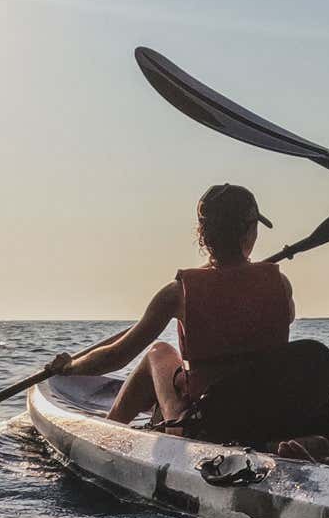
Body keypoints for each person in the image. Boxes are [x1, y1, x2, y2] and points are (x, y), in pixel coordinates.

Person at [44, 183, 295, 428]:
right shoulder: (281, 284)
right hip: (269, 416)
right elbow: (285, 316)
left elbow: (116, 357)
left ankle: (108, 431)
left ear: (203, 234)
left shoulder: (177, 294)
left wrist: (69, 367)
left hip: (205, 423)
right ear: (250, 232)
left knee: (158, 352)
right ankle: (137, 416)